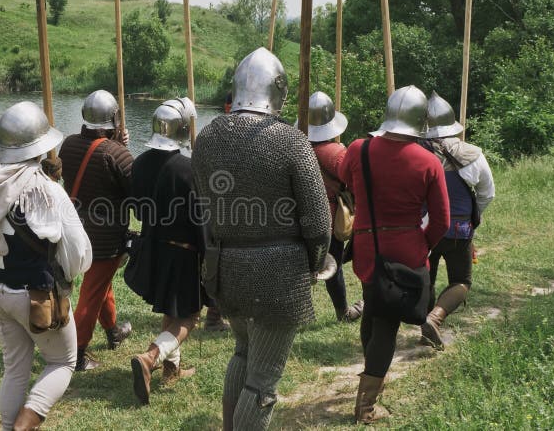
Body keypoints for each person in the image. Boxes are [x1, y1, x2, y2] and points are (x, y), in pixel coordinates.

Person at [192, 47, 332, 430]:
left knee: (242, 353)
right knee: (263, 379)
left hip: (225, 269)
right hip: (278, 274)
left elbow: (204, 208)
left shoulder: (206, 137)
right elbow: (319, 223)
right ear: (278, 91)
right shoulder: (290, 140)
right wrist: (316, 262)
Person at [0, 101, 92, 430]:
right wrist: (65, 278)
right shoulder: (45, 191)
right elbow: (78, 253)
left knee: (15, 368)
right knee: (62, 362)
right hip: (35, 296)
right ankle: (26, 423)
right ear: (39, 146)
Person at [338, 86, 450, 424]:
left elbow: (345, 180)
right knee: (385, 323)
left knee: (374, 307)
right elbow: (442, 220)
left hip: (366, 248)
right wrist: (421, 244)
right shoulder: (429, 161)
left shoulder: (359, 149)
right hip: (406, 249)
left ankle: (370, 374)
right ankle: (365, 408)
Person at [128, 98, 203, 405]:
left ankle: (171, 368)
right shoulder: (187, 168)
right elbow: (199, 217)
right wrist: (208, 249)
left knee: (171, 310)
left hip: (152, 248)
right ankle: (151, 357)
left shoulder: (140, 163)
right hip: (182, 252)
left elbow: (135, 207)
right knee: (189, 315)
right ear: (183, 129)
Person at [58, 90, 133, 371]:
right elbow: (132, 188)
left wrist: (116, 143)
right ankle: (75, 353)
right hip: (105, 237)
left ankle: (113, 330)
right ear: (113, 117)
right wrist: (122, 147)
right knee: (92, 291)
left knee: (100, 284)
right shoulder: (116, 153)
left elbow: (98, 160)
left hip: (75, 229)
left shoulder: (68, 145)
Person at [419, 92, 495, 349]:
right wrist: (473, 217)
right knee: (461, 281)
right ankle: (436, 317)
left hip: (425, 228)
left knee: (426, 277)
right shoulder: (472, 154)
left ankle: (425, 325)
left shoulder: (414, 153)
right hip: (459, 229)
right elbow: (487, 193)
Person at [302, 91, 364, 322]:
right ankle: (342, 312)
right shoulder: (337, 153)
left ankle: (300, 313)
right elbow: (356, 181)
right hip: (327, 218)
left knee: (305, 266)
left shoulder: (298, 148)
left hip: (299, 216)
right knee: (333, 265)